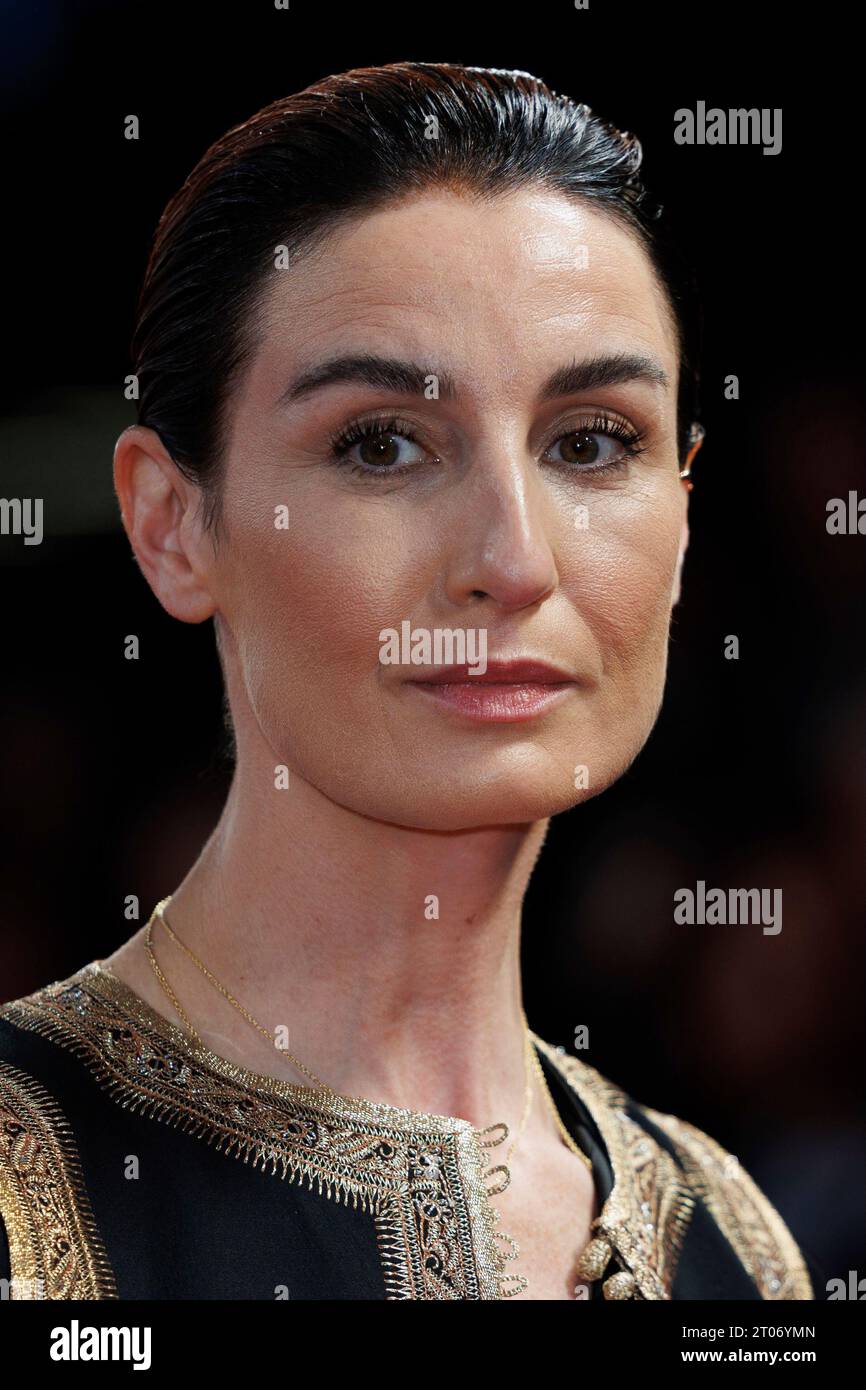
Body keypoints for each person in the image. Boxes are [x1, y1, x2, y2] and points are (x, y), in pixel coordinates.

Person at [0, 61, 820, 1301]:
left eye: (590, 442)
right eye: (380, 443)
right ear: (172, 524)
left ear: (685, 520)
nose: (513, 558)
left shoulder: (738, 1251)